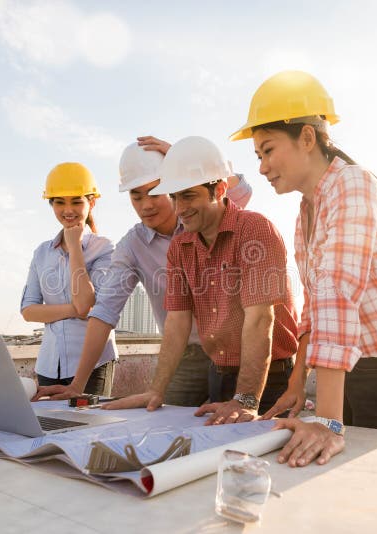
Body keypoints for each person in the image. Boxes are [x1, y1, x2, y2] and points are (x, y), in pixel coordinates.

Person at [230, 70, 377, 466]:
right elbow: (314, 309)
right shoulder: (305, 213)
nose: (262, 167)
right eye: (258, 156)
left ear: (308, 138)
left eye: (268, 150)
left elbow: (336, 289)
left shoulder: (353, 185)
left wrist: (328, 422)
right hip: (354, 369)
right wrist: (298, 382)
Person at [31, 136, 253, 406]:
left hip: (237, 349)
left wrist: (184, 160)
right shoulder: (133, 246)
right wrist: (78, 384)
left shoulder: (207, 214)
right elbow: (104, 312)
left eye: (155, 192)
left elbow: (239, 189)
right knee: (166, 423)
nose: (146, 205)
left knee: (237, 428)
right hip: (186, 354)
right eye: (136, 196)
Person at [103, 136, 299, 423]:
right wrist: (156, 390)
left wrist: (245, 399)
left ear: (219, 189)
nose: (180, 208)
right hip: (219, 375)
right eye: (175, 197)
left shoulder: (255, 230)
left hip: (270, 380)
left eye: (189, 195)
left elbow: (260, 319)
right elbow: (177, 321)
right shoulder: (180, 247)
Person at [21, 162, 117, 394]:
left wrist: (74, 247)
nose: (68, 209)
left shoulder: (104, 248)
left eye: (76, 201)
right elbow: (28, 310)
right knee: (51, 427)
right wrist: (75, 309)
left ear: (91, 202)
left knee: (89, 428)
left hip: (92, 366)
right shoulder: (42, 252)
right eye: (60, 202)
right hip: (48, 366)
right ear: (51, 204)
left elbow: (86, 303)